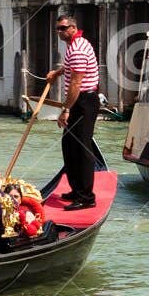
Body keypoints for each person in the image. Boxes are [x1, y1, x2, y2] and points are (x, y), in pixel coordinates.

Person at [43, 15, 101, 210]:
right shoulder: (76, 45)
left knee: (82, 148)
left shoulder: (77, 49)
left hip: (83, 101)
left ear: (73, 28)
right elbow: (71, 70)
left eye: (63, 28)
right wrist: (58, 73)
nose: (59, 31)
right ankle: (76, 190)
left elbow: (76, 83)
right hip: (80, 100)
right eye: (57, 28)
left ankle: (86, 197)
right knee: (69, 144)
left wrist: (65, 109)